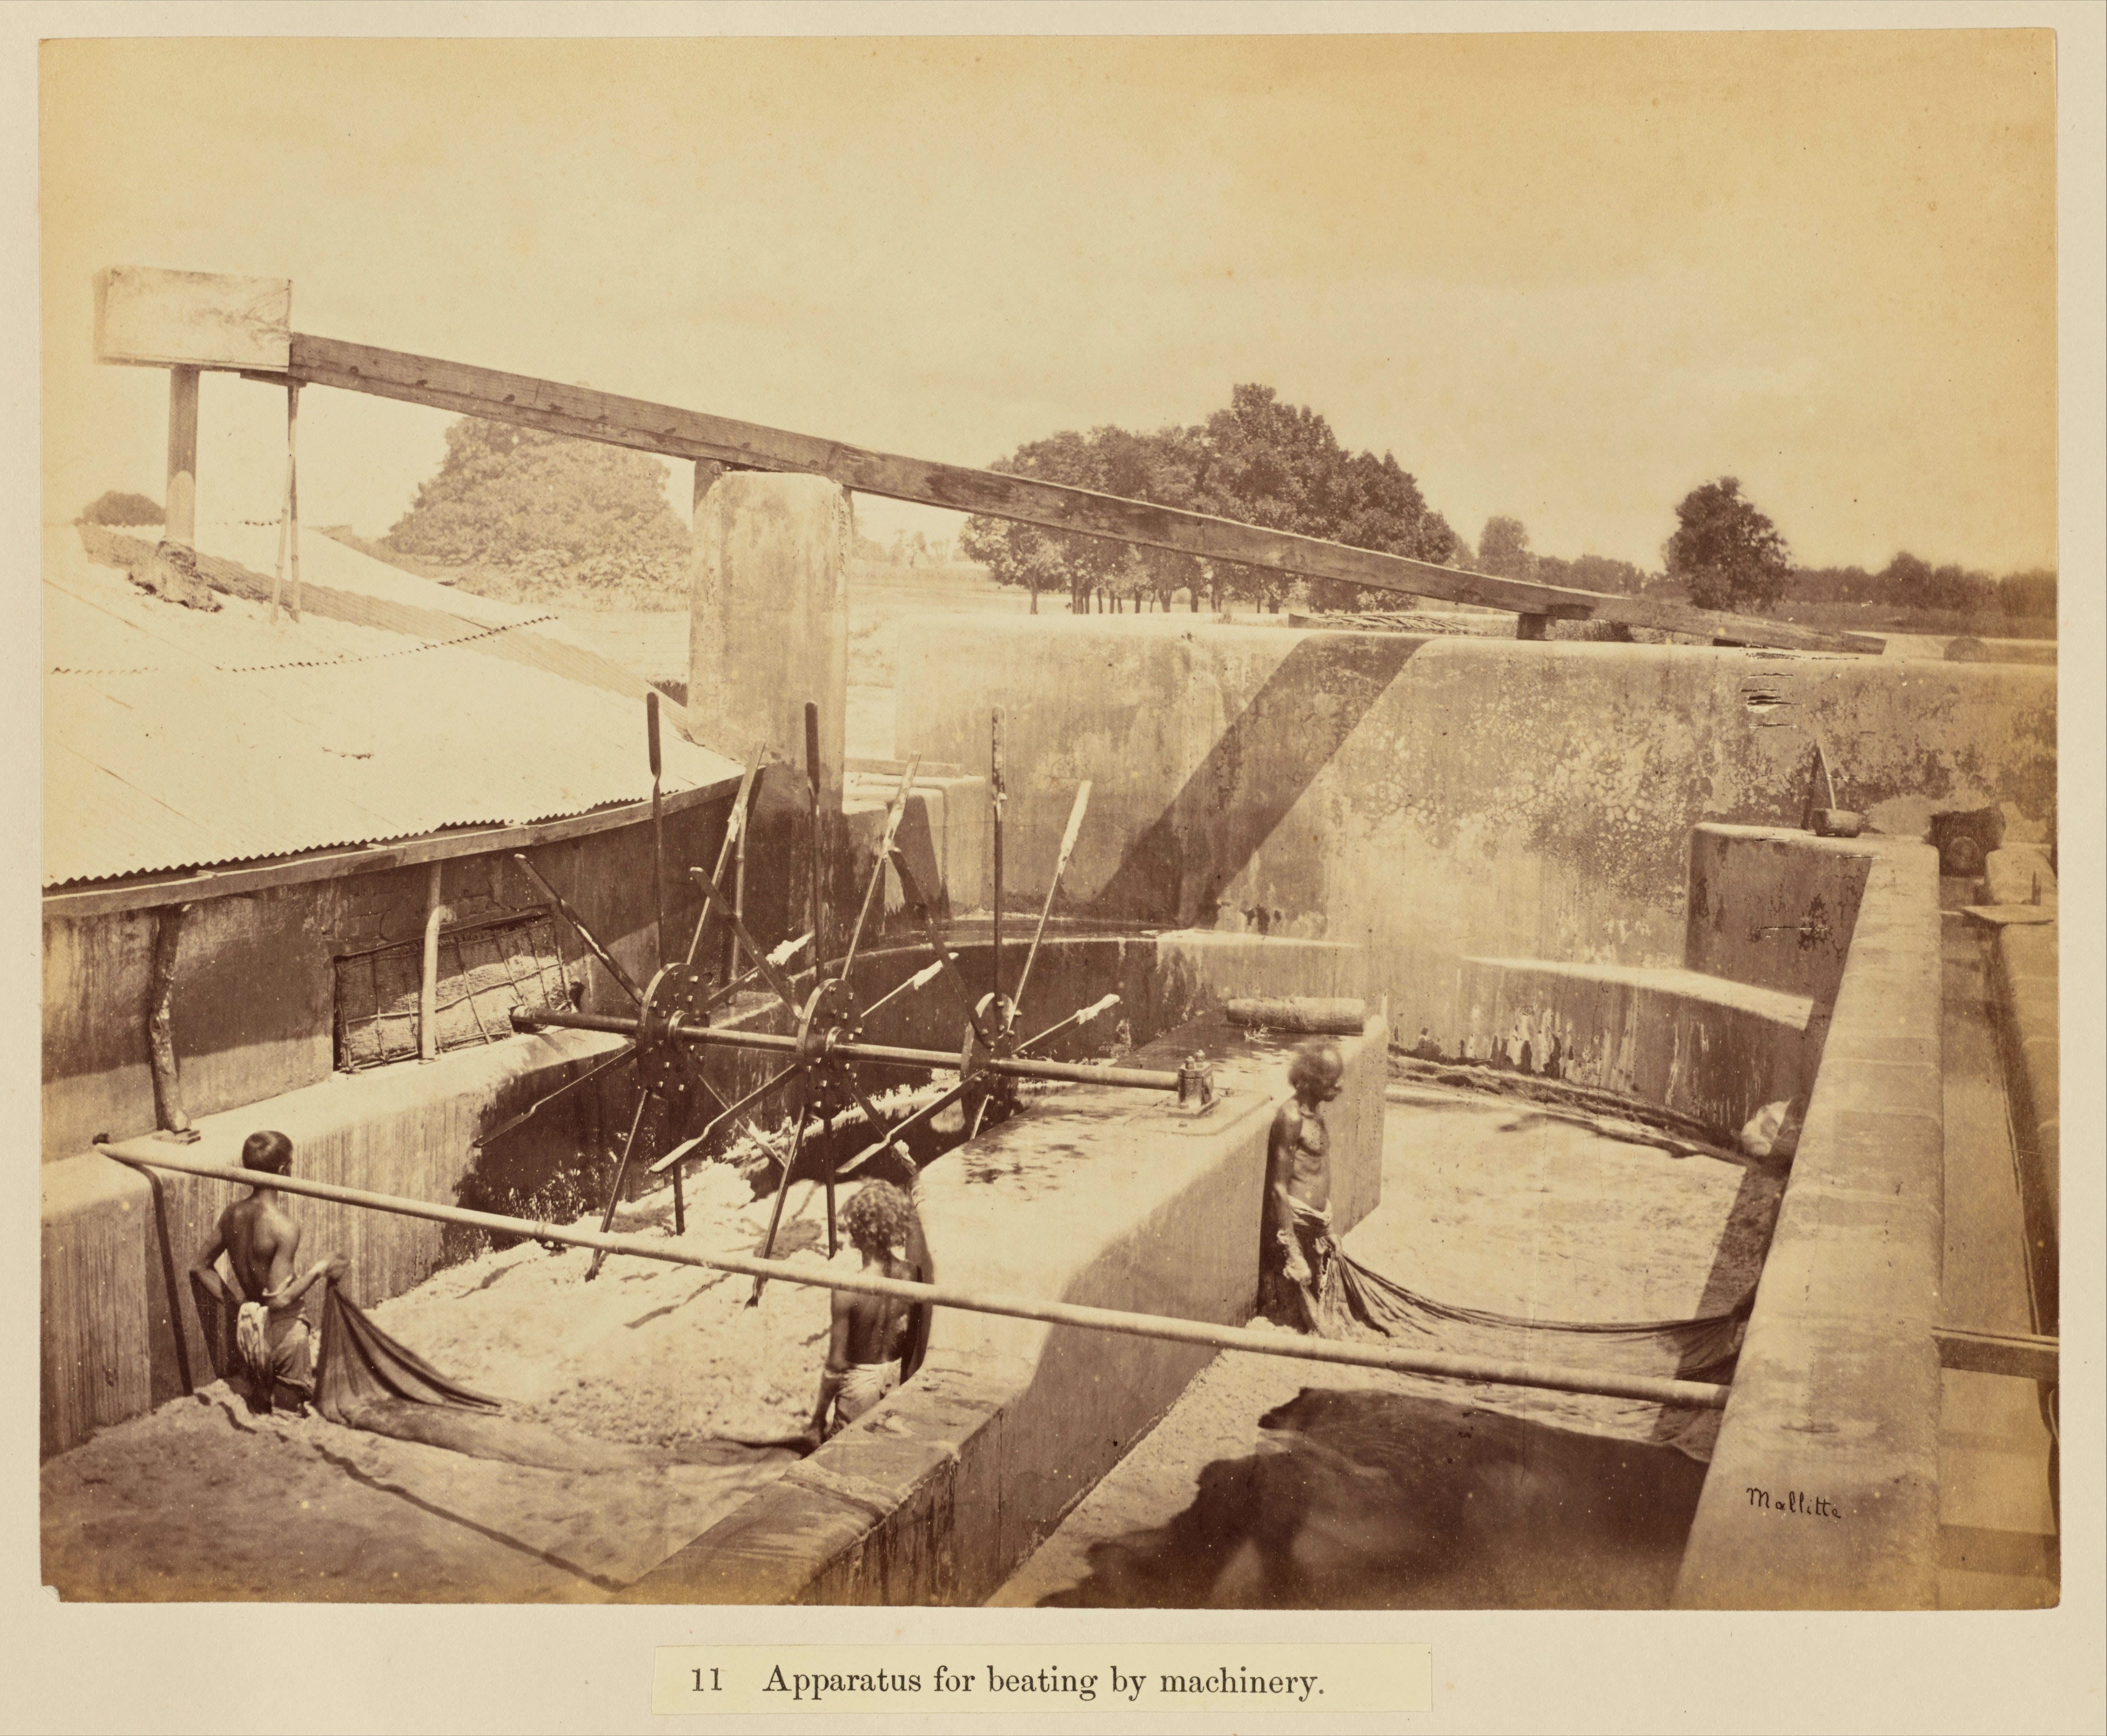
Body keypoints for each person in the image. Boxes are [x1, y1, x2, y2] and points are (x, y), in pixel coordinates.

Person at [189, 1130, 347, 1415]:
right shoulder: (283, 1227)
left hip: (251, 1331)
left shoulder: (232, 1214)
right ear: (284, 1170)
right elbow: (278, 1300)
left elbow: (200, 1266)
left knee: (262, 1407)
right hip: (285, 1330)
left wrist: (237, 1305)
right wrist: (320, 1269)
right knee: (289, 1413)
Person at [806, 1181, 924, 1442]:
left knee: (844, 1452)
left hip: (860, 1390)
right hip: (895, 1380)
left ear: (863, 1234)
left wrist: (817, 1420)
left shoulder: (847, 1290)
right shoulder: (912, 1273)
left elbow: (836, 1365)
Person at [1260, 1039, 1344, 1333]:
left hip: (1315, 1228)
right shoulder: (1291, 1118)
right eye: (1332, 1082)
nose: (1340, 1087)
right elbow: (1279, 1189)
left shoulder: (1316, 1113)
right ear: (1308, 1082)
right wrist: (1293, 1253)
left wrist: (1328, 1230)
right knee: (1301, 1321)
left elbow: (1316, 1169)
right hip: (1295, 1232)